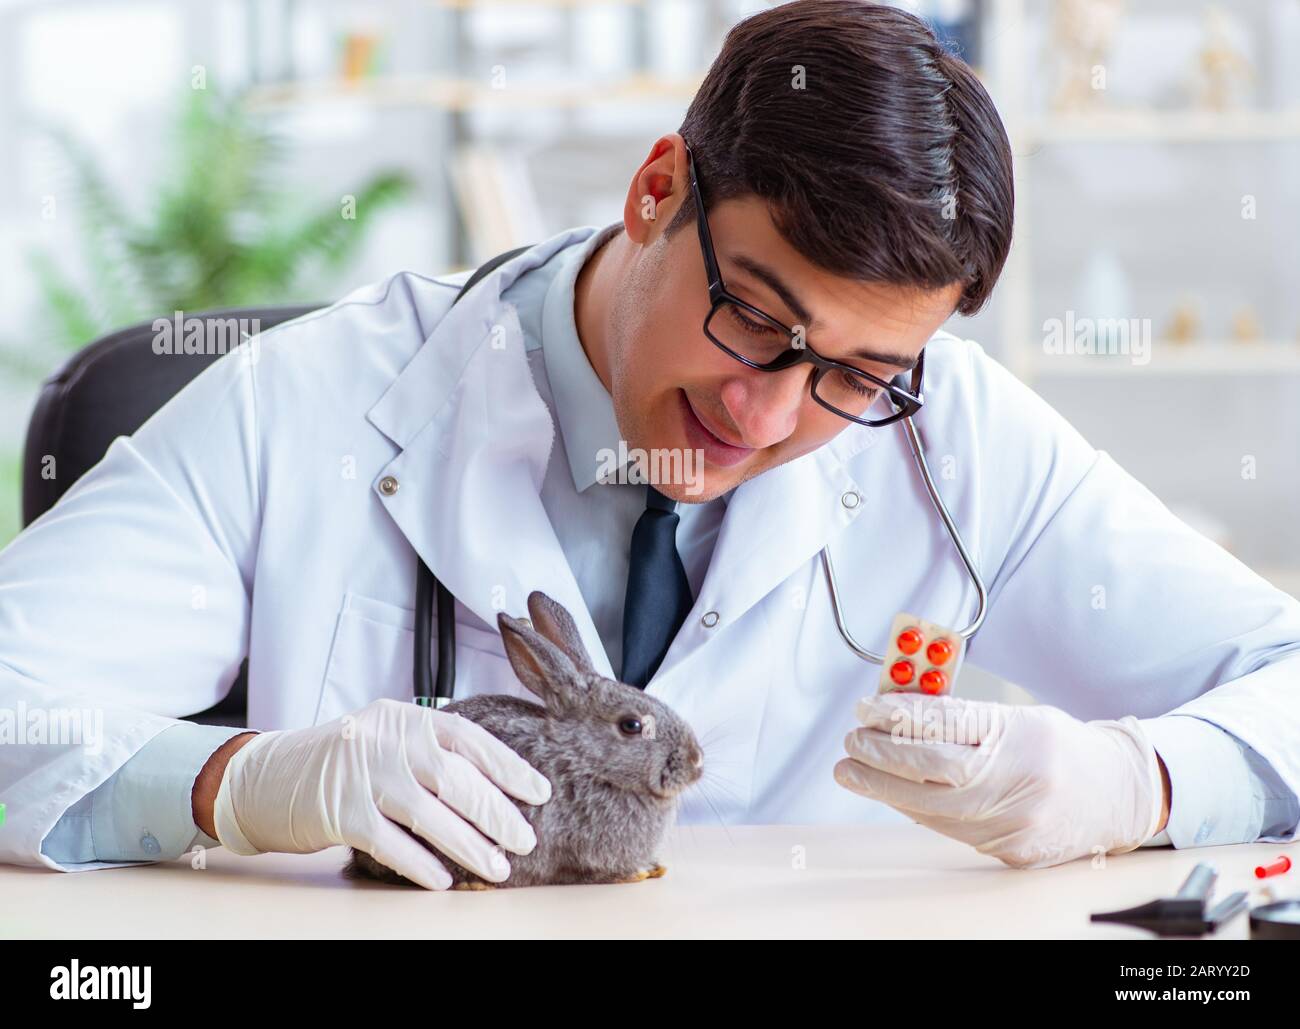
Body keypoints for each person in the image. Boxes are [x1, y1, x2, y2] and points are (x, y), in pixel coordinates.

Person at [1, 1, 1296, 890]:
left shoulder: (952, 438)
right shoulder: (307, 408)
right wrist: (234, 779)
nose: (769, 417)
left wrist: (1140, 780)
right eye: (757, 319)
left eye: (859, 373)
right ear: (658, 189)